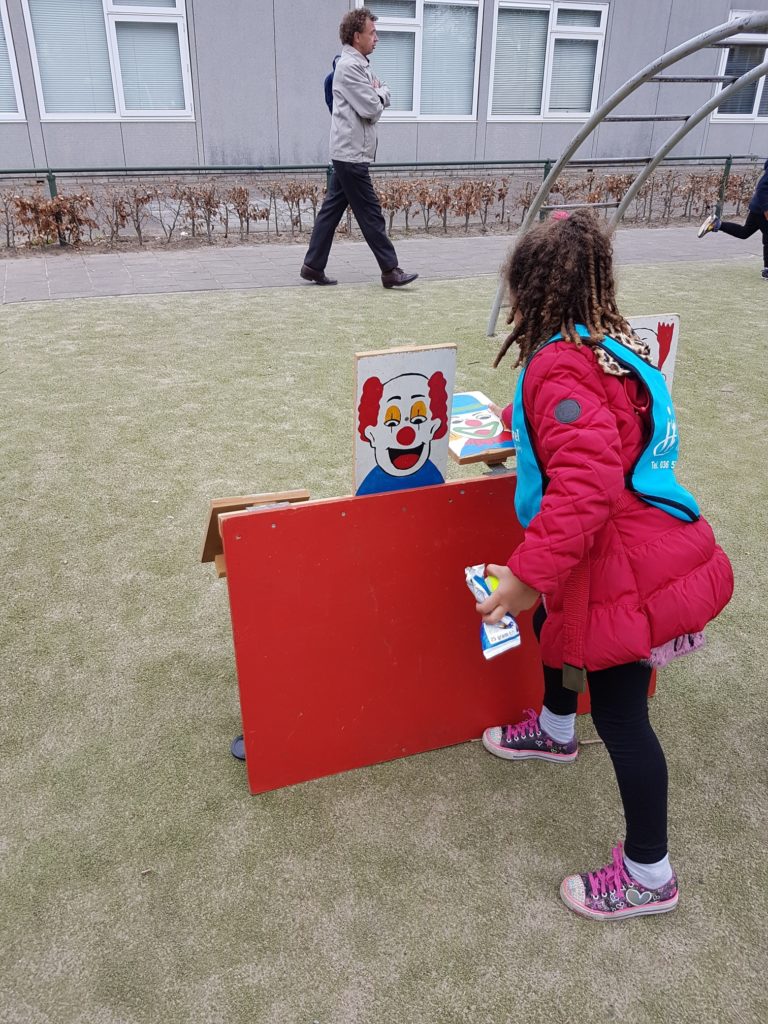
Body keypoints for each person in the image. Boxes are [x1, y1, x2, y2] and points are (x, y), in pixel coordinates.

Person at [475, 208, 733, 921]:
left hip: (619, 564)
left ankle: (650, 872)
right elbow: (597, 425)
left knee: (621, 716)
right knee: (558, 631)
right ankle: (557, 732)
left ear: (532, 290)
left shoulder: (557, 363)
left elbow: (585, 487)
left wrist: (525, 579)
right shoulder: (604, 347)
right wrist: (519, 421)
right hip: (634, 548)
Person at [300, 8, 417, 289]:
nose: (376, 38)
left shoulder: (359, 63)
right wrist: (381, 93)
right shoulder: (351, 67)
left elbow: (376, 95)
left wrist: (378, 92)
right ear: (356, 36)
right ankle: (390, 270)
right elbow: (371, 108)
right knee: (371, 212)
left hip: (348, 152)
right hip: (350, 154)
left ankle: (312, 266)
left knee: (331, 210)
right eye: (372, 33)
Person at [698, 158, 768, 280]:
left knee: (744, 232)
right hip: (762, 209)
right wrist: (766, 210)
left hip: (759, 208)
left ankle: (716, 224)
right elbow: (762, 189)